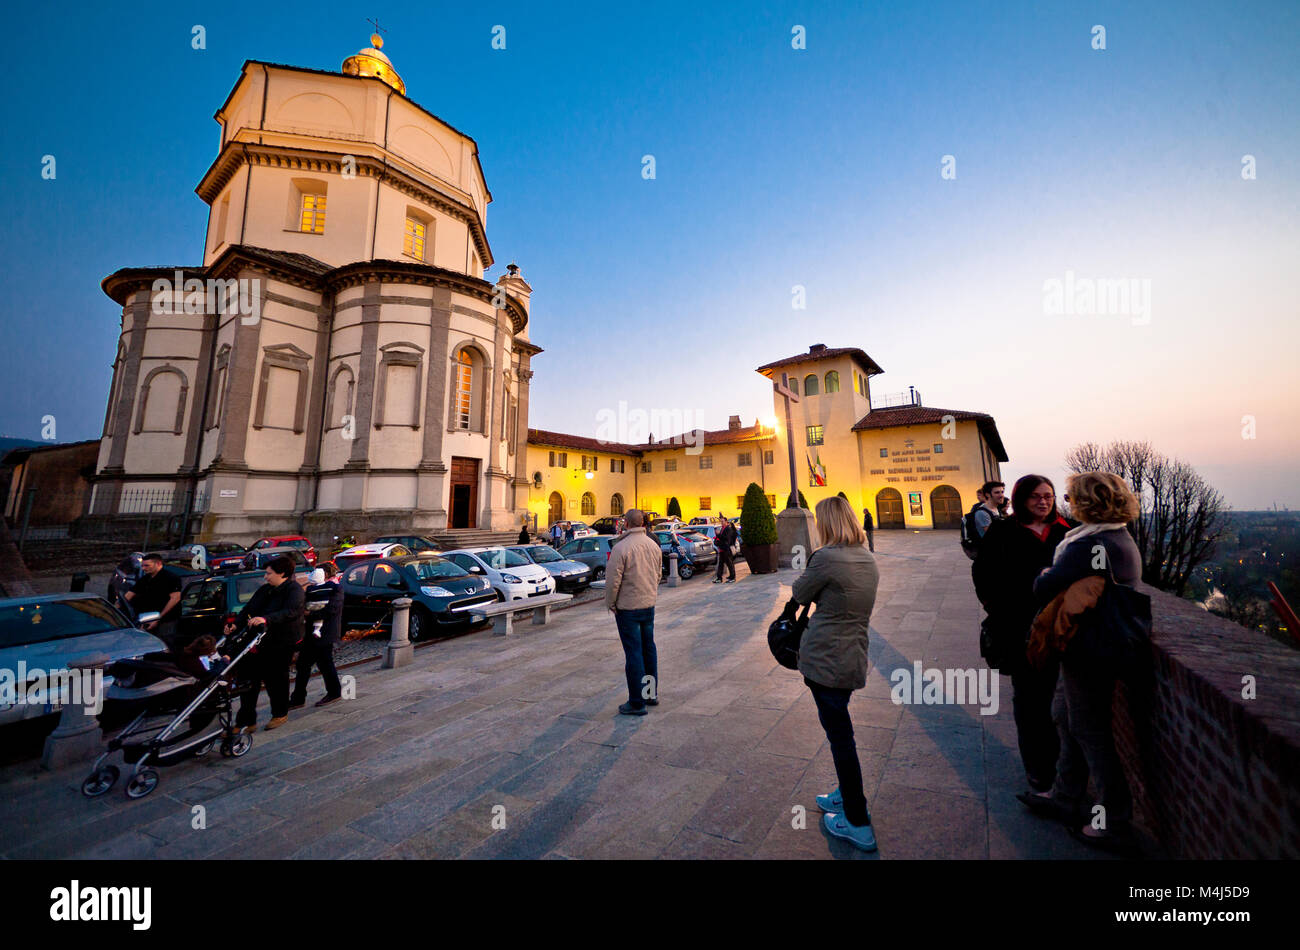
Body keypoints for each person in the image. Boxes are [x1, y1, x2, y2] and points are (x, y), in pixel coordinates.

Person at [1028, 472, 1143, 848]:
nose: (1067, 501)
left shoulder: (1090, 542)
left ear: (1089, 502)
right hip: (1097, 645)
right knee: (1065, 715)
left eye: (1071, 496)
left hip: (1091, 648)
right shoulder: (1117, 535)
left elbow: (1043, 586)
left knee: (1090, 730)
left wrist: (1047, 573)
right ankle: (1065, 795)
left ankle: (1113, 819)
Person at [972, 475, 1072, 801]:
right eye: (1035, 497)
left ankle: (1062, 766)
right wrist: (996, 608)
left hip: (1059, 630)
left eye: (1048, 496)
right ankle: (1039, 770)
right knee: (1029, 702)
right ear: (1020, 499)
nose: (1043, 502)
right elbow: (983, 573)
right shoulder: (1003, 532)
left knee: (1058, 703)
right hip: (1019, 631)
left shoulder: (1064, 531)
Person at [794, 495, 880, 852]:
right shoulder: (867, 556)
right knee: (840, 730)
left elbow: (799, 592)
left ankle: (857, 821)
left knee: (841, 738)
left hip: (826, 658)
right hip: (851, 655)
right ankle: (845, 795)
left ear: (827, 522)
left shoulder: (826, 557)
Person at [224, 555, 305, 732]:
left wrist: (266, 619)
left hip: (279, 643)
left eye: (268, 573)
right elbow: (248, 609)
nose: (265, 577)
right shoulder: (264, 590)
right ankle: (246, 721)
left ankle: (279, 713)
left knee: (275, 681)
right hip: (255, 643)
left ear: (282, 573)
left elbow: (291, 612)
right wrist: (236, 624)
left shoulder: (294, 590)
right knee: (247, 682)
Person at [604, 509, 663, 716]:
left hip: (628, 608)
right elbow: (658, 575)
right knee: (649, 650)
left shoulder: (621, 547)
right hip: (648, 605)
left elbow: (613, 582)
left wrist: (611, 603)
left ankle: (637, 702)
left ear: (626, 524)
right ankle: (650, 694)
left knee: (634, 653)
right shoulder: (653, 545)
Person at [290, 564, 344, 709]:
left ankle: (333, 692)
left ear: (325, 574)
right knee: (304, 664)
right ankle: (299, 698)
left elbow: (331, 610)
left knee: (324, 663)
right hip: (311, 632)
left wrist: (310, 614)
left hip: (325, 632)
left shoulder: (335, 588)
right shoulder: (312, 589)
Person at [123, 553, 182, 642]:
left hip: (166, 621)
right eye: (142, 566)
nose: (143, 568)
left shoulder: (171, 578)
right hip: (146, 619)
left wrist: (158, 618)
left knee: (164, 644)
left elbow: (175, 598)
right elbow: (128, 596)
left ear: (158, 564)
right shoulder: (145, 579)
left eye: (147, 566)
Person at [713, 515, 738, 583]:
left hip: (726, 549)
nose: (721, 522)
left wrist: (718, 535)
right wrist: (717, 539)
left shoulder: (728, 529)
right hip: (722, 549)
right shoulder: (722, 528)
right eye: (721, 521)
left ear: (726, 522)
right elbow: (721, 538)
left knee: (729, 564)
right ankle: (719, 578)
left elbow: (726, 538)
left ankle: (732, 577)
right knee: (720, 564)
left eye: (723, 521)